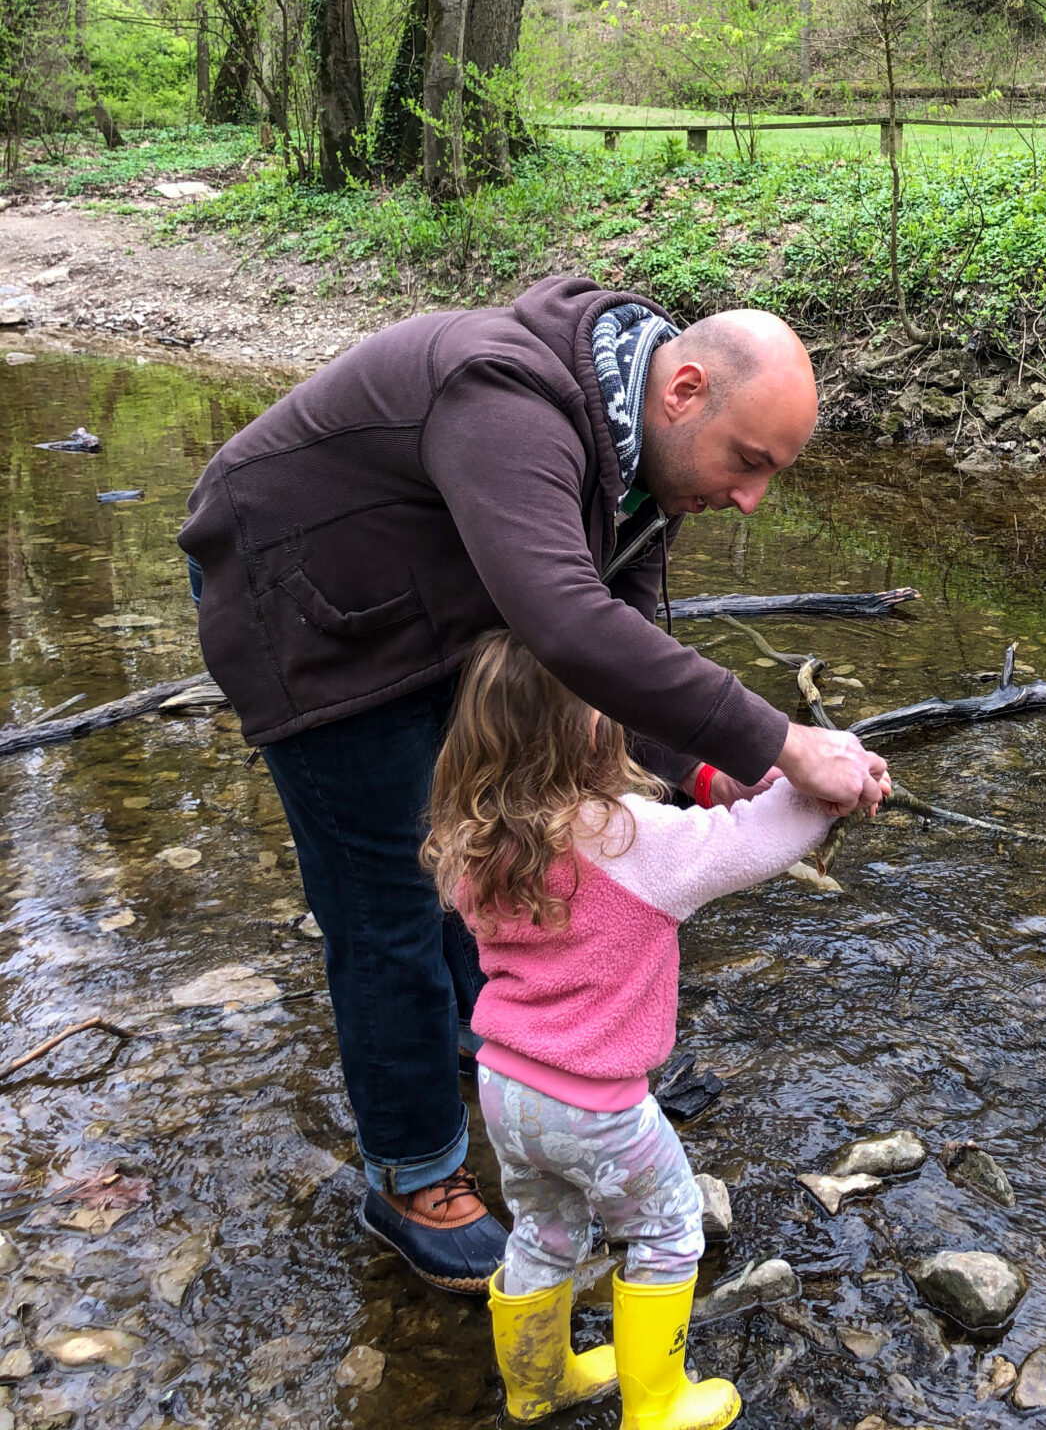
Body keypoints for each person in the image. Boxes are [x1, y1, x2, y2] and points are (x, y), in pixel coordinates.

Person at [179, 275, 888, 1293]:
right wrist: (783, 741)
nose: (748, 497)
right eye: (748, 463)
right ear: (683, 389)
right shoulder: (503, 399)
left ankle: (510, 1051)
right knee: (388, 899)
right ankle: (412, 1172)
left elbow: (623, 634)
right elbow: (562, 622)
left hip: (436, 607)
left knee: (493, 831)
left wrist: (702, 764)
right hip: (303, 605)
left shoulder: (643, 452)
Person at [424, 633, 872, 1428]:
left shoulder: (474, 840)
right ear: (595, 735)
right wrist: (820, 780)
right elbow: (749, 842)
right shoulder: (629, 837)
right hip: (598, 1104)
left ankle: (538, 1384)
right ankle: (657, 1405)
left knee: (543, 1231)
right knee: (667, 1232)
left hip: (505, 1087)